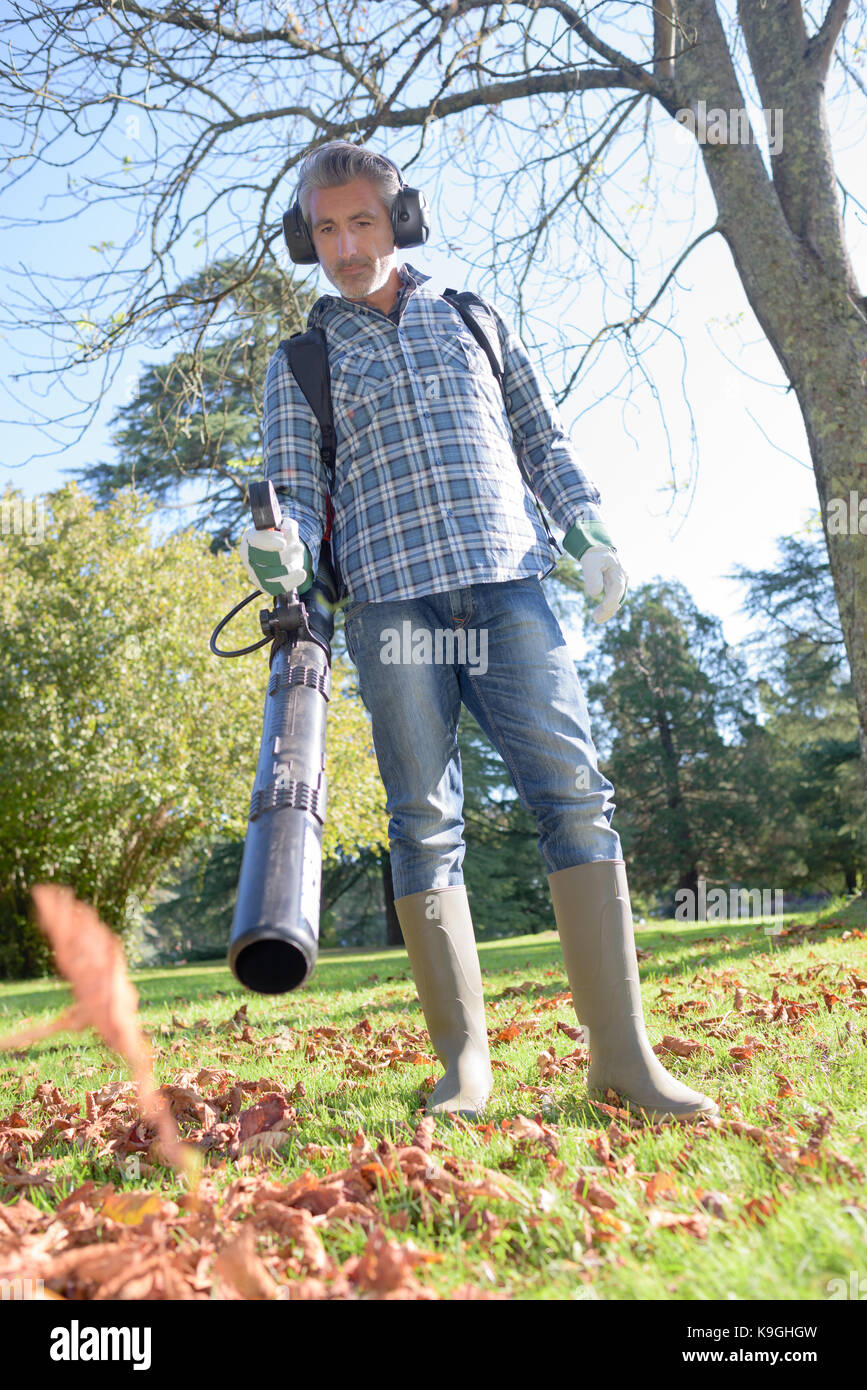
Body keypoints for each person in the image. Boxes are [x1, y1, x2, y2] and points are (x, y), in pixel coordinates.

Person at [241, 140, 717, 1124]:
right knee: (423, 820)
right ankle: (466, 1066)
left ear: (398, 218)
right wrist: (280, 551)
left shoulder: (471, 317)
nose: (346, 245)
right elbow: (292, 488)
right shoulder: (303, 361)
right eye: (326, 229)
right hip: (391, 603)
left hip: (511, 584)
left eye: (362, 221)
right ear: (307, 239)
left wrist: (587, 531)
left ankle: (623, 1059)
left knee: (576, 797)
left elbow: (541, 437)